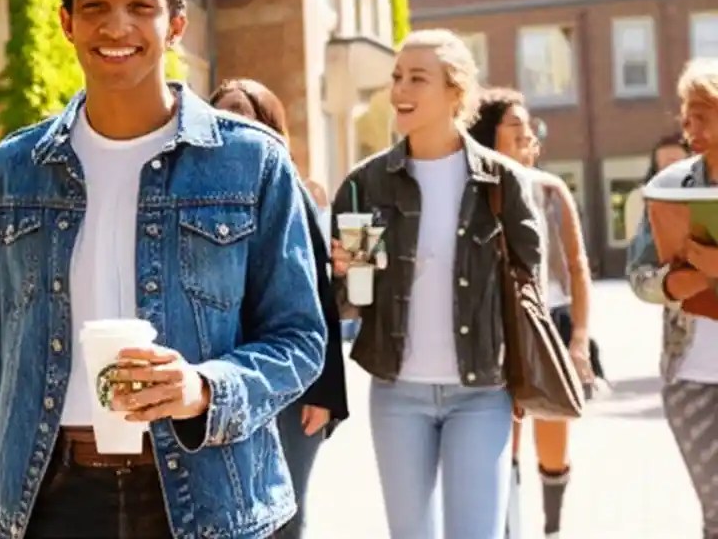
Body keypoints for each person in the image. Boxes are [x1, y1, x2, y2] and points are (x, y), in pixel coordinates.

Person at [0, 0, 326, 539]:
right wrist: (4, 514)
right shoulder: (11, 172)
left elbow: (300, 340)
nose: (117, 25)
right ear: (66, 22)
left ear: (176, 25)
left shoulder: (251, 162)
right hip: (54, 497)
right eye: (94, 6)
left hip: (208, 493)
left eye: (141, 6)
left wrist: (203, 390)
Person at [328, 30, 543, 539]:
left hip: (481, 393)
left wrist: (524, 376)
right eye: (397, 77)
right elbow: (347, 305)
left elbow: (528, 281)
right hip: (397, 391)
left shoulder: (501, 180)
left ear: (456, 91)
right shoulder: (365, 183)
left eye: (417, 78)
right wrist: (343, 274)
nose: (400, 89)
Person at [209, 78, 348, 539]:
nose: (231, 125)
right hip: (218, 374)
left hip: (290, 384)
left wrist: (324, 391)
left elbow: (315, 297)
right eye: (223, 114)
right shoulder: (195, 195)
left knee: (286, 514)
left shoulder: (287, 189)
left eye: (243, 115)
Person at [468, 87, 599, 539]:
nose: (526, 131)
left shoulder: (550, 188)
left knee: (554, 441)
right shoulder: (475, 190)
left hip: (551, 323)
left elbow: (579, 269)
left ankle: (552, 528)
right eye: (514, 124)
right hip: (496, 328)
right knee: (504, 442)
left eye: (529, 124)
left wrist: (579, 339)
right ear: (489, 134)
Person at [627, 61, 718, 539]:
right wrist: (667, 287)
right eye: (686, 117)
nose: (690, 128)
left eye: (703, 114)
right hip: (692, 380)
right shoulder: (669, 186)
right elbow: (638, 272)